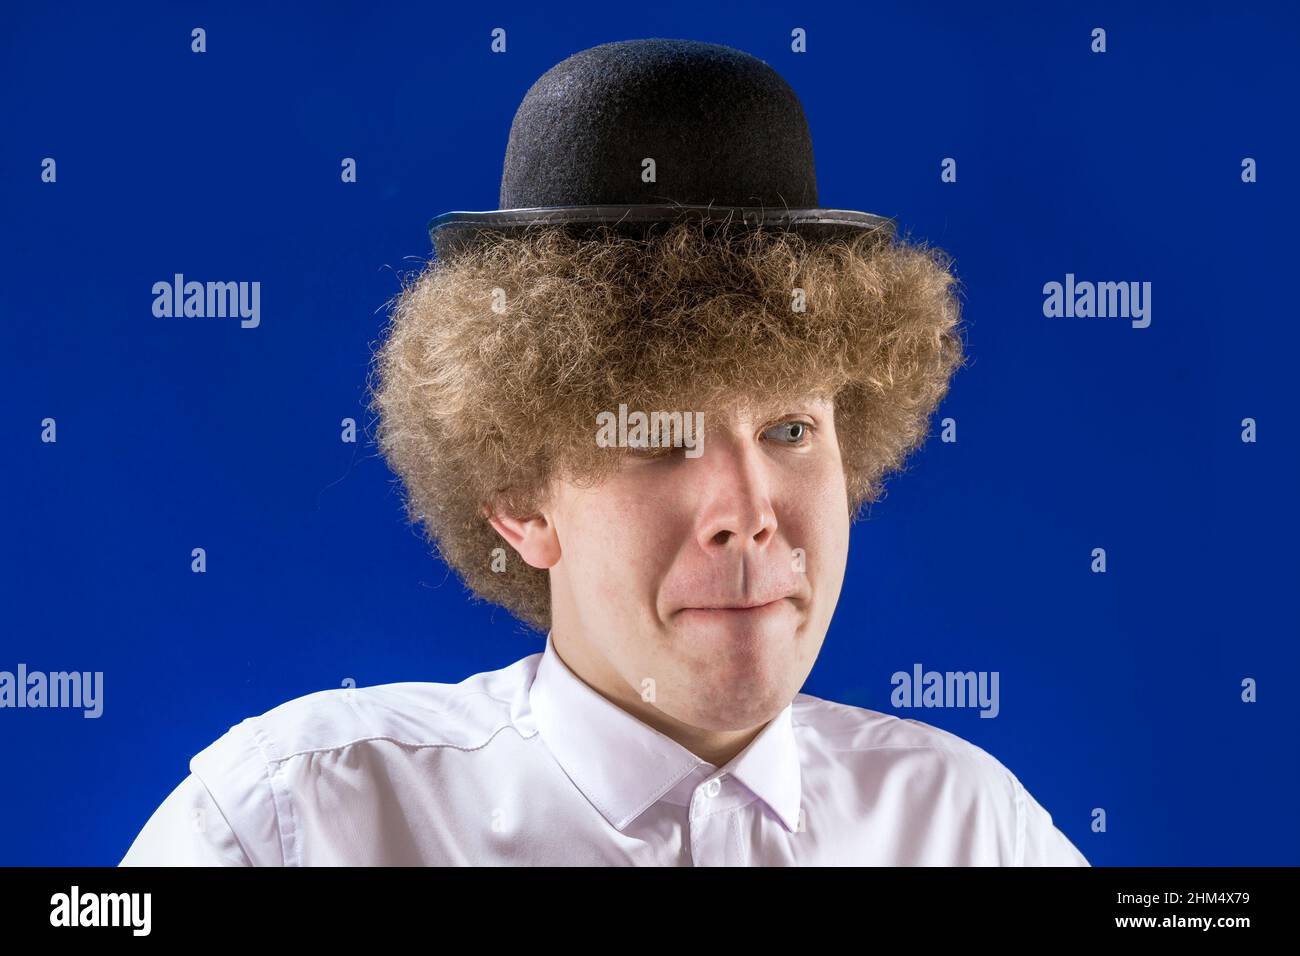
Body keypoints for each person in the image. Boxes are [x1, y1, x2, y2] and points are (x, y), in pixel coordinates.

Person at [120, 37, 1088, 866]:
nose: (746, 508)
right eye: (658, 437)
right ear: (518, 497)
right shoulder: (287, 831)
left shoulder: (972, 830)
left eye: (790, 429)